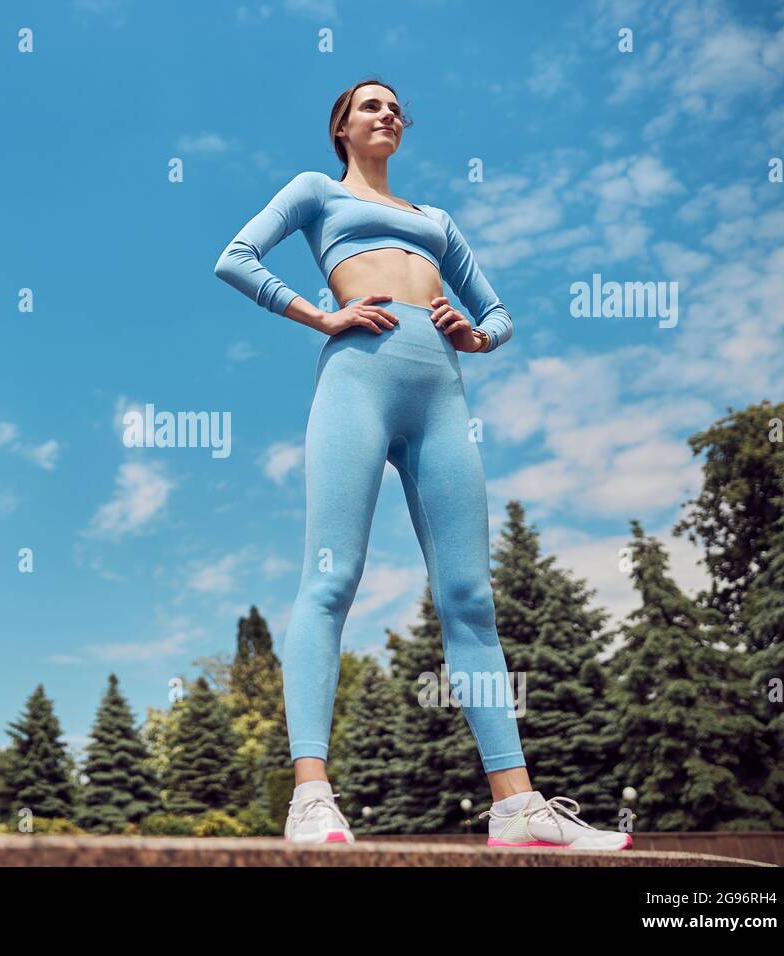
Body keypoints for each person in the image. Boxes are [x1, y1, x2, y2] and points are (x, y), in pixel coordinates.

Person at [213, 77, 630, 851]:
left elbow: (499, 313)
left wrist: (477, 335)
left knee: (470, 596)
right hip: (356, 382)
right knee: (332, 579)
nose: (389, 113)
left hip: (443, 399)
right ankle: (311, 795)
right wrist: (320, 314)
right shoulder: (314, 190)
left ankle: (516, 806)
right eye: (372, 105)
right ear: (341, 126)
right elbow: (234, 259)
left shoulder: (437, 218)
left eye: (397, 106)